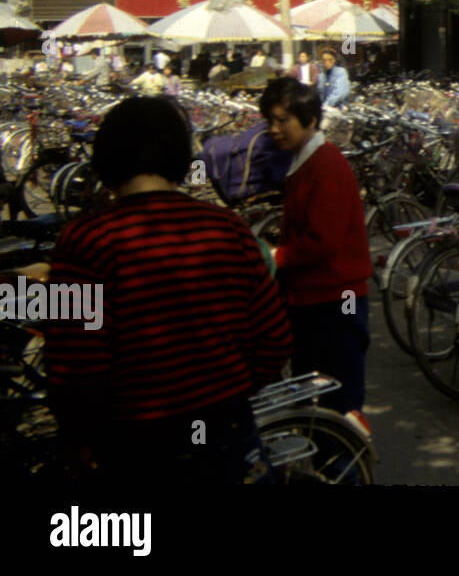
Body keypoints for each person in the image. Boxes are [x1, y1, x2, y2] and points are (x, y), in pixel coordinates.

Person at [42, 97, 292, 482]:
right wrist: (228, 388)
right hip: (227, 433)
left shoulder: (83, 242)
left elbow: (74, 368)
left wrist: (80, 436)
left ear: (107, 157)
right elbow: (274, 339)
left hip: (136, 447)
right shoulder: (229, 230)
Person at [259, 77, 370, 417]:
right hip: (314, 298)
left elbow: (324, 240)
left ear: (309, 120)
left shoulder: (325, 165)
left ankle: (343, 469)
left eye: (283, 121)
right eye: (271, 121)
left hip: (337, 300)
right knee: (311, 397)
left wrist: (278, 256)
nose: (275, 129)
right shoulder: (304, 159)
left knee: (339, 404)